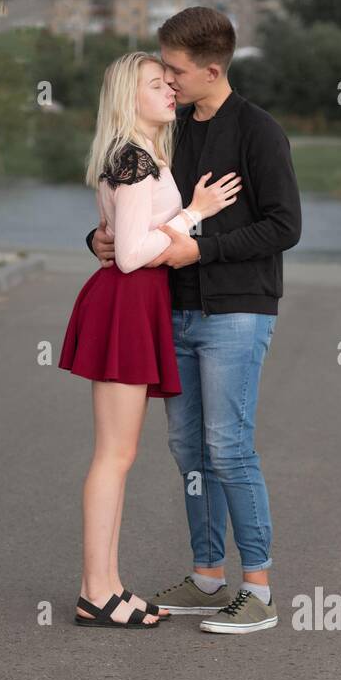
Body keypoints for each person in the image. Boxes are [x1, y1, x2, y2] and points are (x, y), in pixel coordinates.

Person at [87, 8, 302, 635]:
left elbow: (286, 227)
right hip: (170, 310)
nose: (169, 81)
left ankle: (256, 586)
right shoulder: (168, 130)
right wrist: (97, 240)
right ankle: (208, 577)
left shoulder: (260, 133)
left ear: (212, 69)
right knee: (188, 448)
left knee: (228, 446)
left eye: (176, 71)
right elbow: (140, 213)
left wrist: (202, 250)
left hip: (238, 310)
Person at [59, 50, 243, 630]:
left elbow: (118, 236)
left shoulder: (135, 157)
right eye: (156, 84)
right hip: (127, 303)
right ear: (127, 97)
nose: (169, 91)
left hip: (132, 305)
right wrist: (194, 213)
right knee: (114, 456)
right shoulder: (134, 160)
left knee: (121, 455)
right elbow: (136, 255)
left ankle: (108, 586)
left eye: (171, 83)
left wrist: (109, 234)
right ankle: (96, 592)